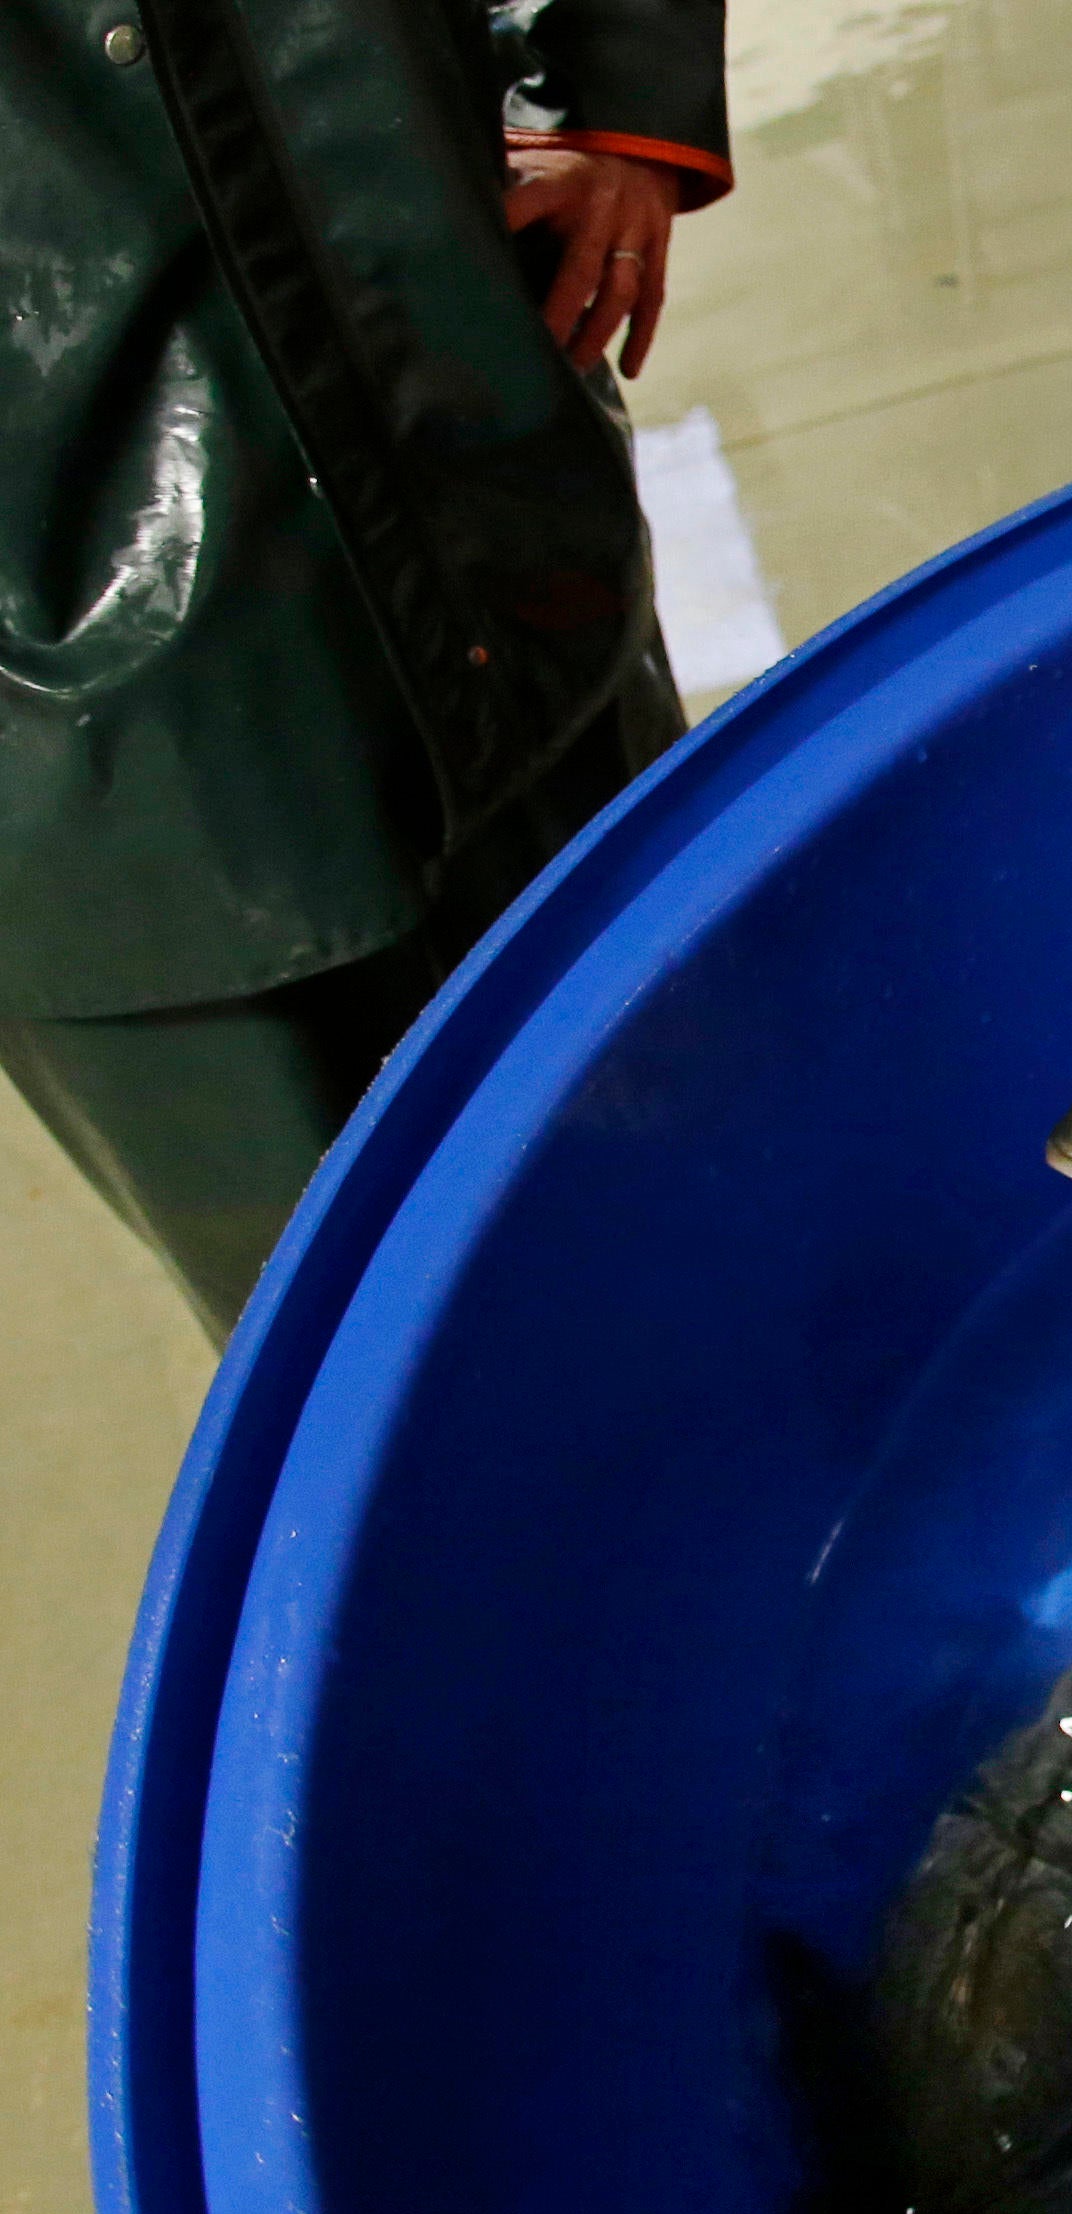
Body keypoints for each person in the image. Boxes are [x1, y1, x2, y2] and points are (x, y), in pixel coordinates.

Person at [1, 0, 731, 1338]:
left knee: (716, 1170)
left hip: (483, 486)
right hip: (89, 755)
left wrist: (629, 93)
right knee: (379, 1344)